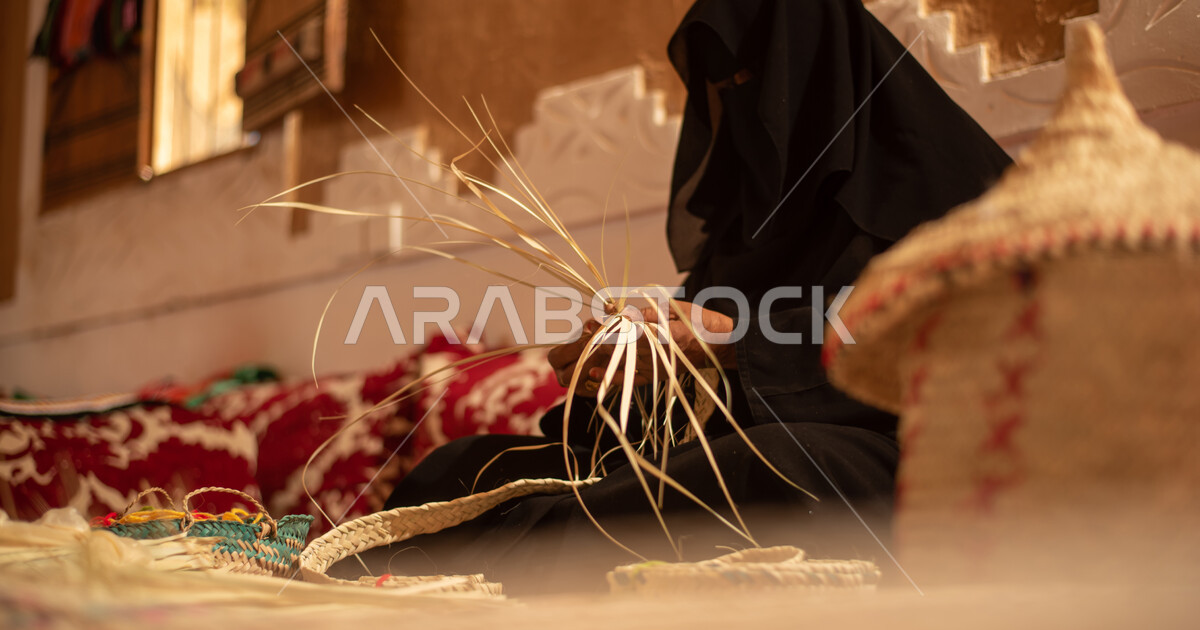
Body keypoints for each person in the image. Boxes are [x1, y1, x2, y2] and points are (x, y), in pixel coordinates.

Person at [367, 0, 1012, 593]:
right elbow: (680, 395)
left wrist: (730, 343)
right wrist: (614, 375)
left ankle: (485, 569)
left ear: (827, 82)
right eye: (724, 89)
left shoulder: (961, 196)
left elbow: (972, 355)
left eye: (758, 78)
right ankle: (457, 566)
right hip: (691, 458)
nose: (745, 108)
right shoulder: (740, 237)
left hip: (892, 462)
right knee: (463, 467)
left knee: (765, 467)